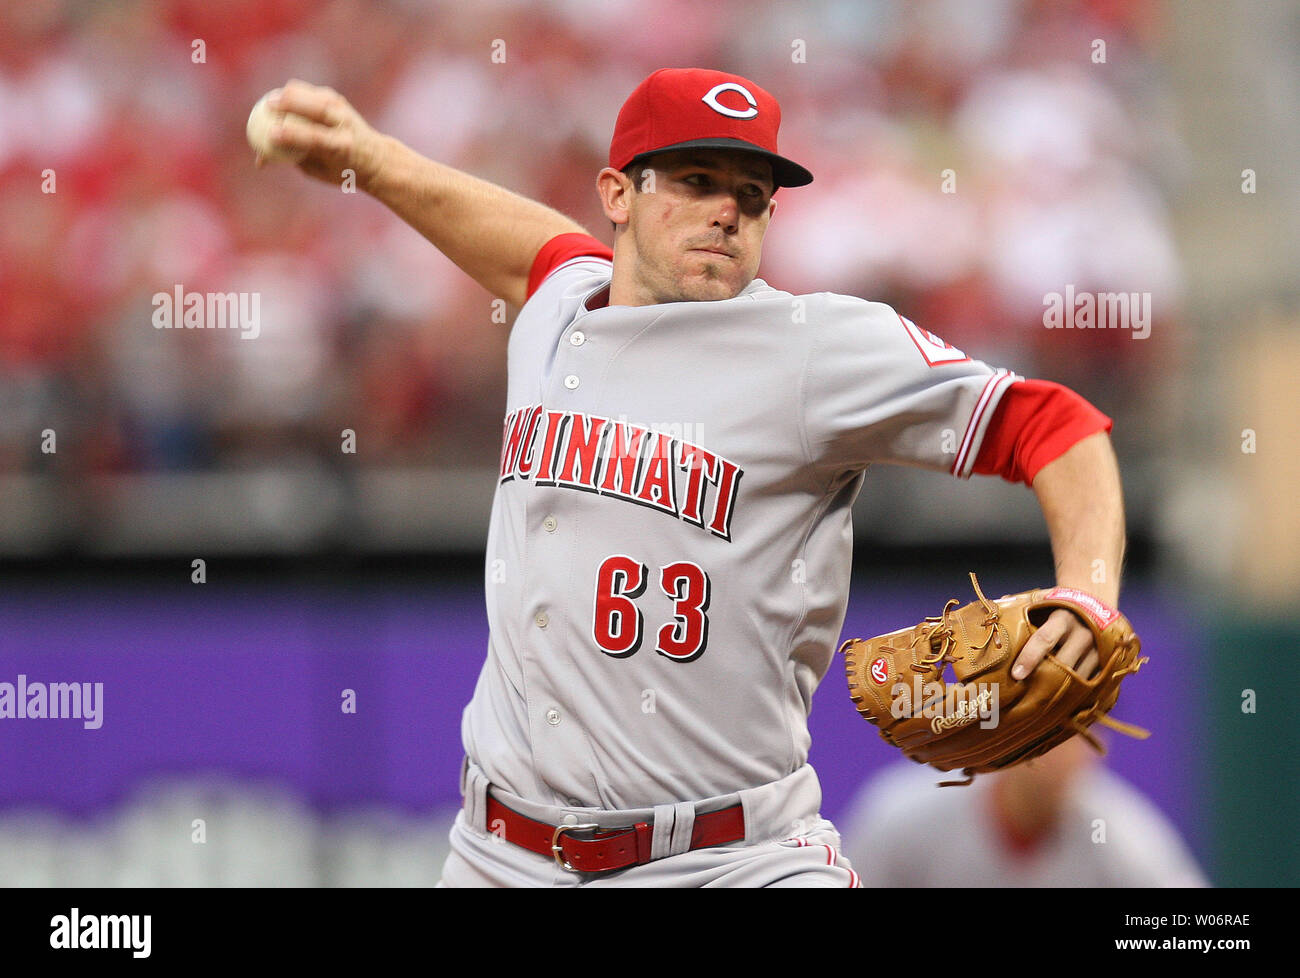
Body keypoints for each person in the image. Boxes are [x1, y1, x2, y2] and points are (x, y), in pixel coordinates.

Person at [258, 67, 1127, 887]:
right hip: (502, 855)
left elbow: (1054, 424)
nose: (726, 212)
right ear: (618, 195)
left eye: (751, 196)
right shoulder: (560, 307)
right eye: (696, 180)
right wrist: (371, 159)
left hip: (731, 857)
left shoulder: (811, 348)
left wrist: (1089, 594)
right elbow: (523, 244)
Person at [839, 738, 1209, 887]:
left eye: (1074, 733)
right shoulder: (908, 812)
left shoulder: (1120, 836)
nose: (1054, 753)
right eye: (1044, 733)